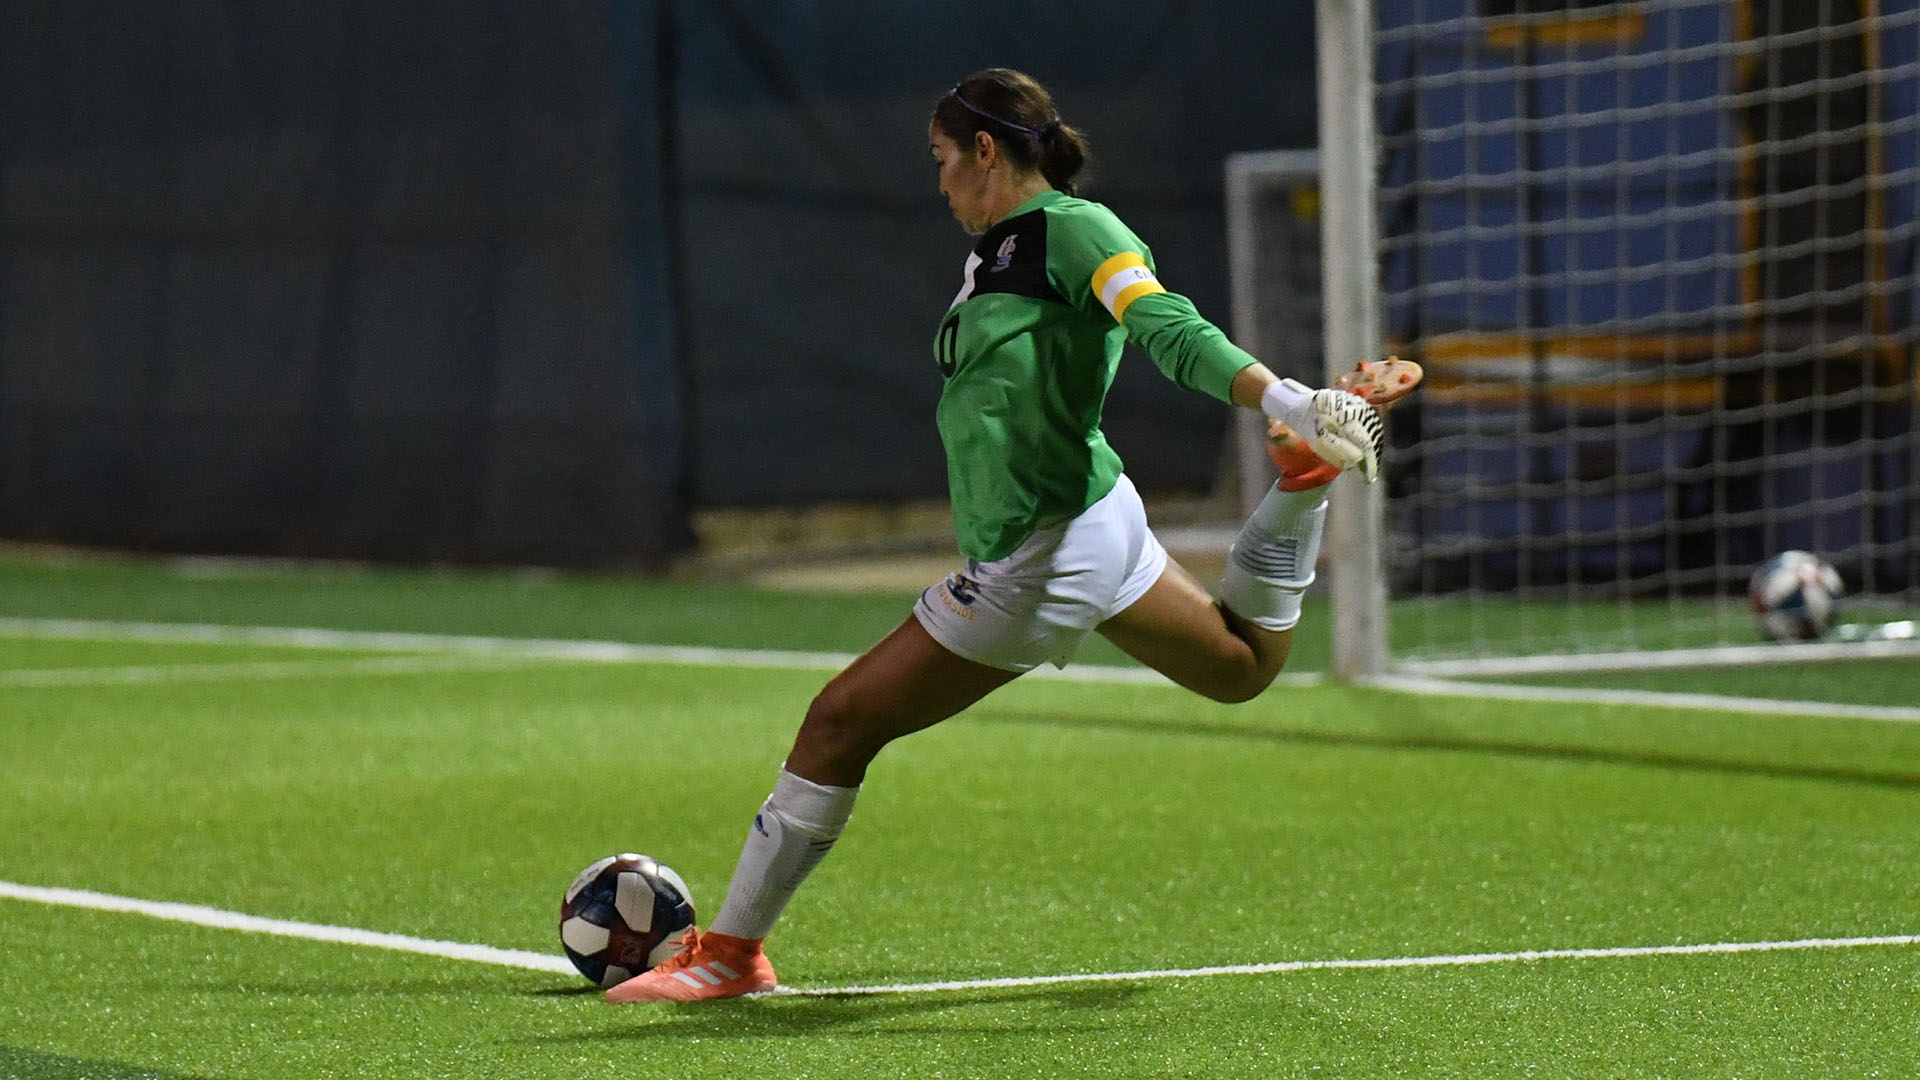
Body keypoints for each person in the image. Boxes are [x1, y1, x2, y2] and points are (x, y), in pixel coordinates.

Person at [605, 68, 1420, 1003]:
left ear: (987, 151)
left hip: (1045, 552)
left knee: (837, 724)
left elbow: (1169, 327)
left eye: (944, 159)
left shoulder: (1078, 230)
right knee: (1241, 667)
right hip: (1089, 515)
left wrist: (1289, 400)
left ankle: (729, 956)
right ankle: (1303, 491)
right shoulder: (1001, 251)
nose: (940, 180)